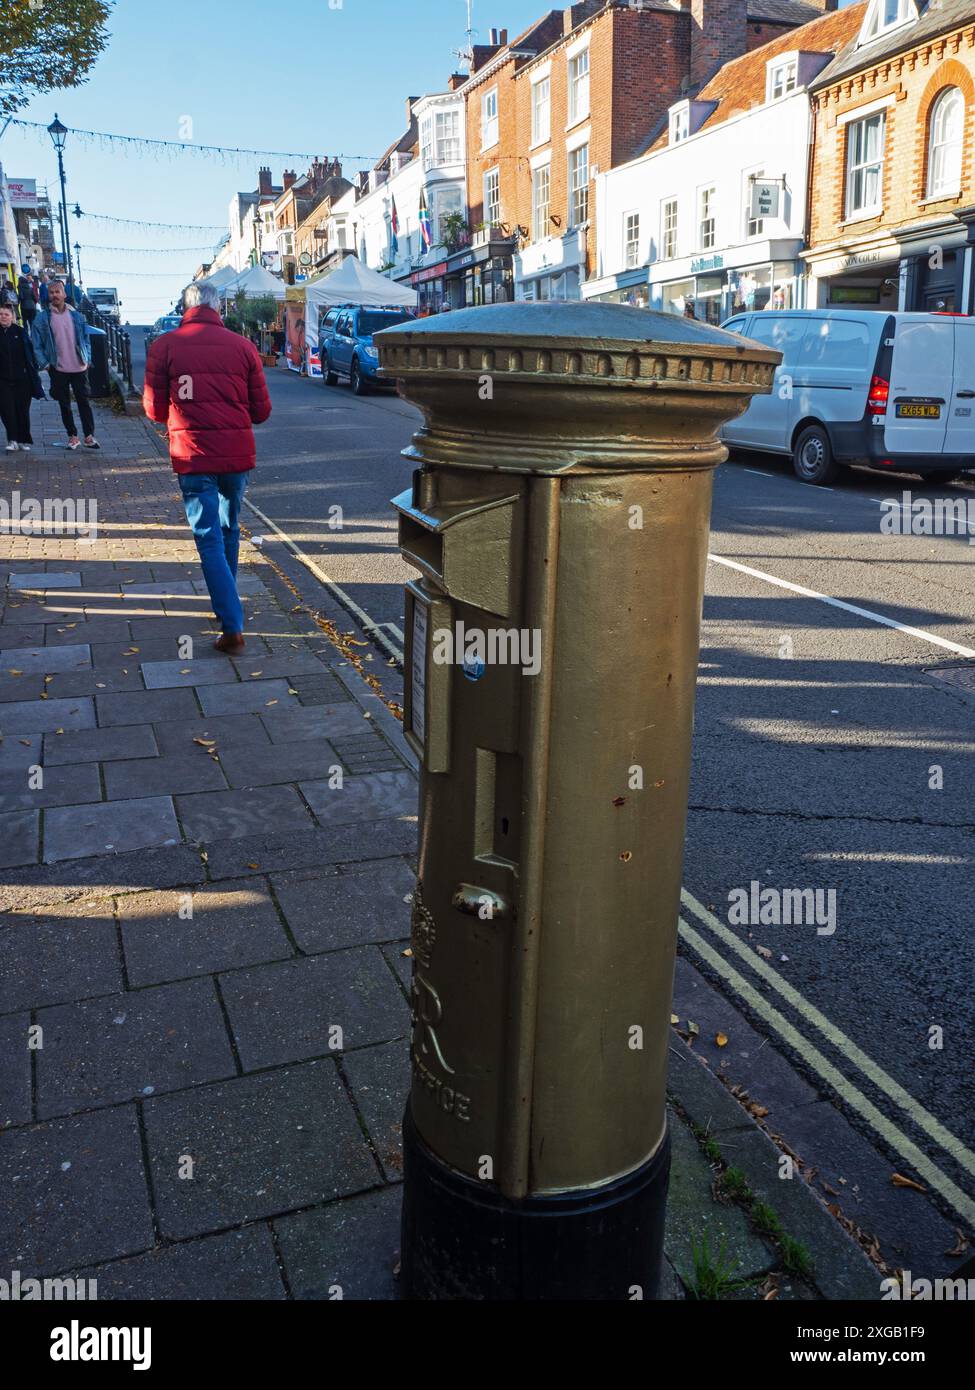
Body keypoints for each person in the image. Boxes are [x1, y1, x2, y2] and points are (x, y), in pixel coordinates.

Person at [143, 280, 272, 654]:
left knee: (209, 539)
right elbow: (261, 412)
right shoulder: (245, 347)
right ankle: (226, 606)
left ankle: (231, 623)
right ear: (219, 308)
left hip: (193, 455)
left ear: (186, 307)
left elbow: (153, 410)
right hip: (236, 457)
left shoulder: (164, 346)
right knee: (230, 530)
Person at [31, 278, 99, 450]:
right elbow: (36, 344)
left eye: (57, 292)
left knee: (84, 402)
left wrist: (87, 358)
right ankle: (72, 436)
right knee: (64, 404)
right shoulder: (41, 319)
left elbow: (86, 339)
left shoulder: (77, 316)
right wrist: (45, 364)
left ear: (64, 294)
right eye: (51, 292)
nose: (55, 295)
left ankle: (89, 436)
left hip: (79, 366)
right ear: (48, 295)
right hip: (58, 367)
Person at [0, 302, 45, 452]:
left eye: (6, 314)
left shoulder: (20, 332)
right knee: (7, 410)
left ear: (12, 316)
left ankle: (23, 440)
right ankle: (12, 439)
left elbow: (29, 354)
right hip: (3, 380)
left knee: (22, 410)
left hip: (22, 379)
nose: (3, 317)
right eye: (0, 314)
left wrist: (34, 373)